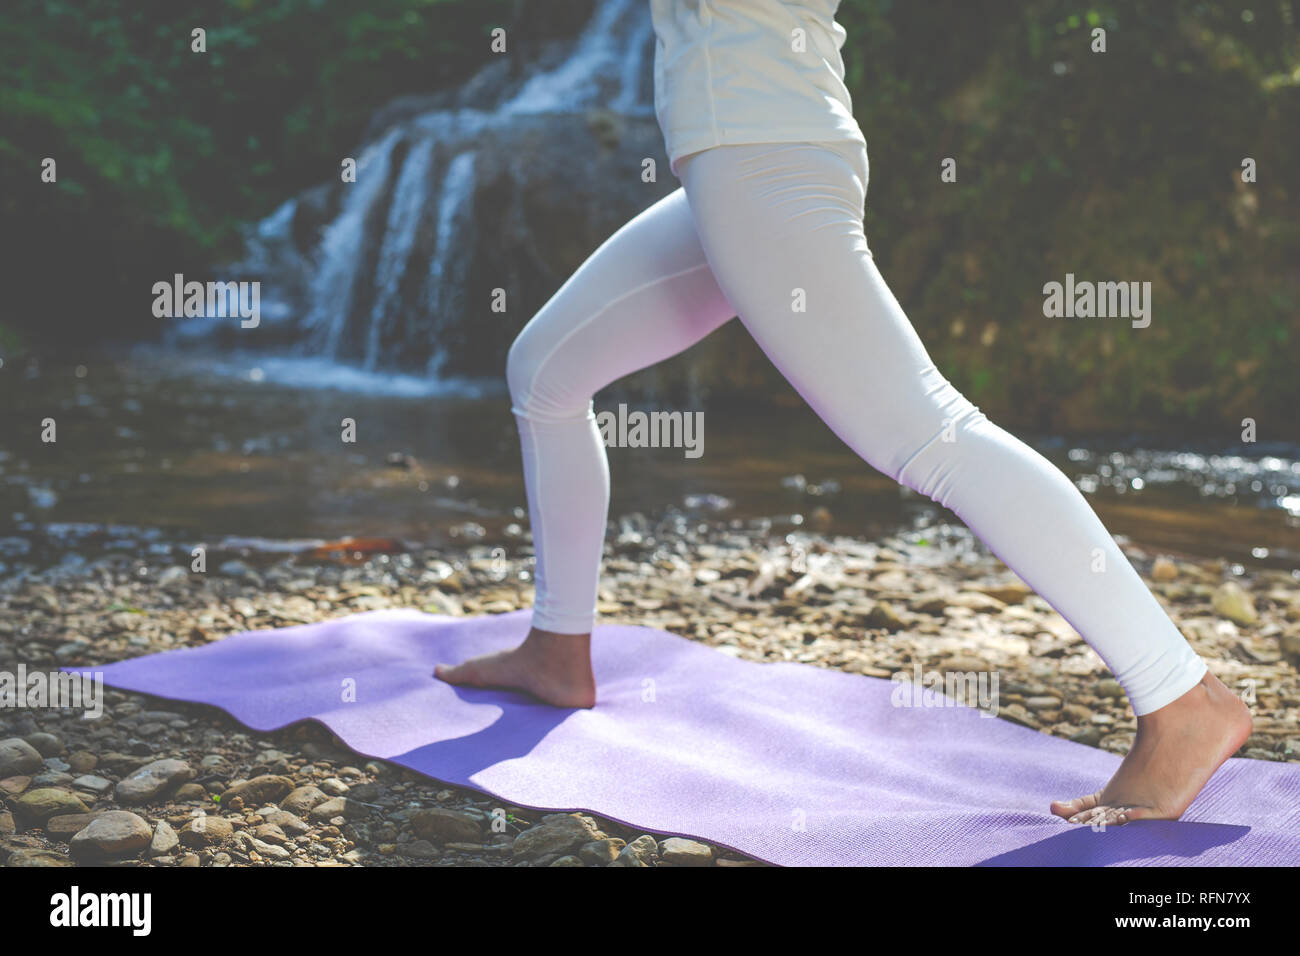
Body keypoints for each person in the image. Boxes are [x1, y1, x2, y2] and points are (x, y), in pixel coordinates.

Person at [437, 0, 1252, 827]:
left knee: (934, 437)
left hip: (761, 160)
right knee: (546, 370)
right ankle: (557, 647)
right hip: (742, 158)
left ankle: (1181, 698)